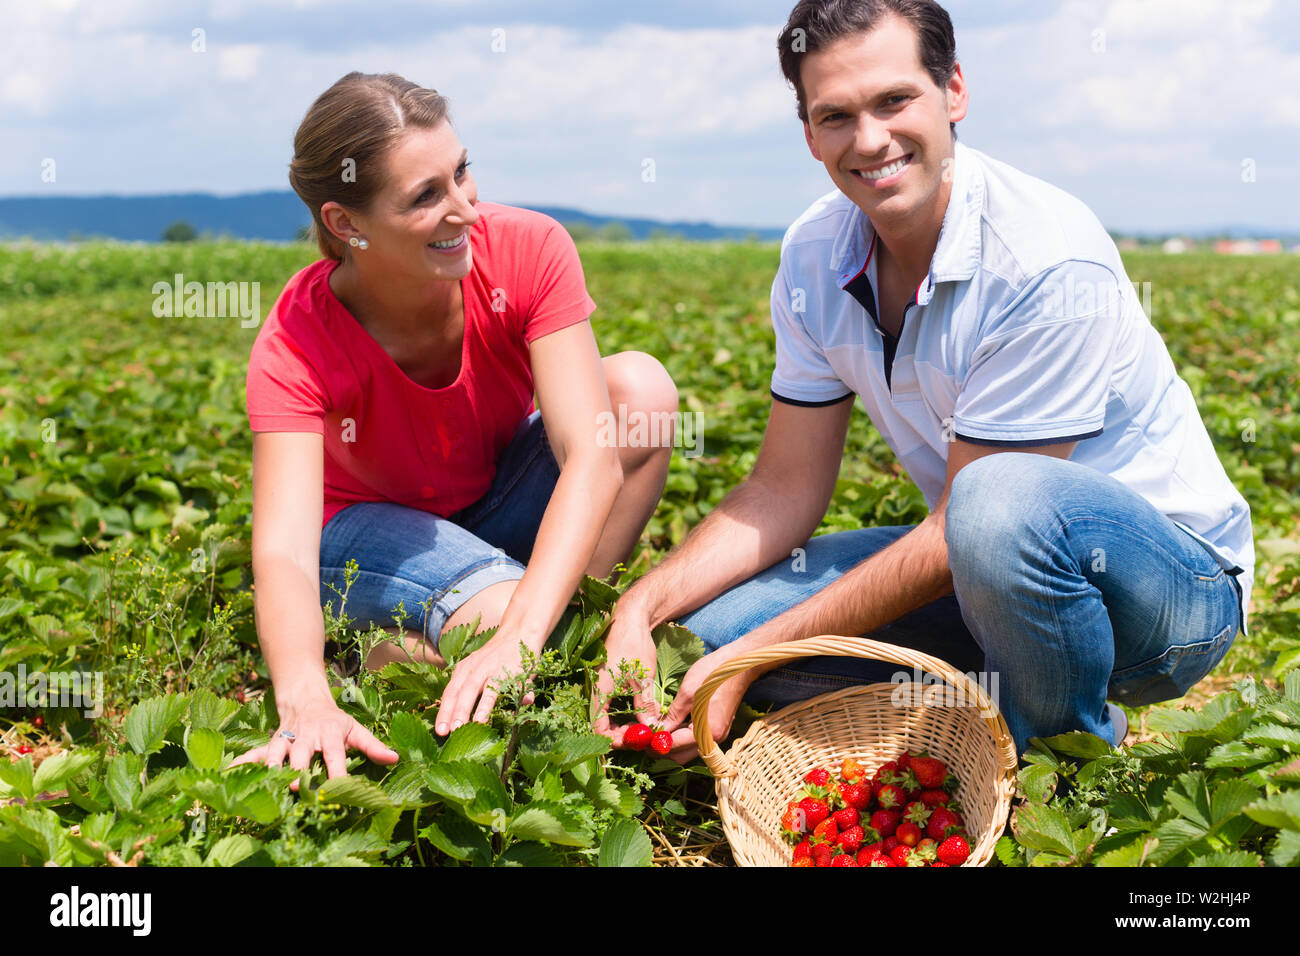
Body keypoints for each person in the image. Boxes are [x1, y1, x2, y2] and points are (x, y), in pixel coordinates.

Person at [593, 0, 1253, 762]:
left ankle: (1071, 761)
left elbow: (961, 530)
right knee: (703, 640)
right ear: (809, 134)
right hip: (990, 574)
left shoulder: (1043, 258)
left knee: (995, 503)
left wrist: (759, 656)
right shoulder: (815, 255)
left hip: (1169, 601)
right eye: (835, 115)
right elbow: (782, 488)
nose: (870, 139)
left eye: (894, 100)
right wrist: (642, 609)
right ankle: (977, 715)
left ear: (954, 92)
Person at [232, 72, 677, 783]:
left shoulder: (530, 248)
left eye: (462, 172)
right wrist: (303, 697)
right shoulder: (295, 343)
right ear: (347, 224)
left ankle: (514, 635)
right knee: (511, 621)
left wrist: (519, 638)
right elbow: (284, 550)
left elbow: (591, 457)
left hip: (489, 501)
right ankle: (492, 638)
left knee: (641, 391)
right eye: (425, 197)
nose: (466, 210)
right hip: (364, 532)